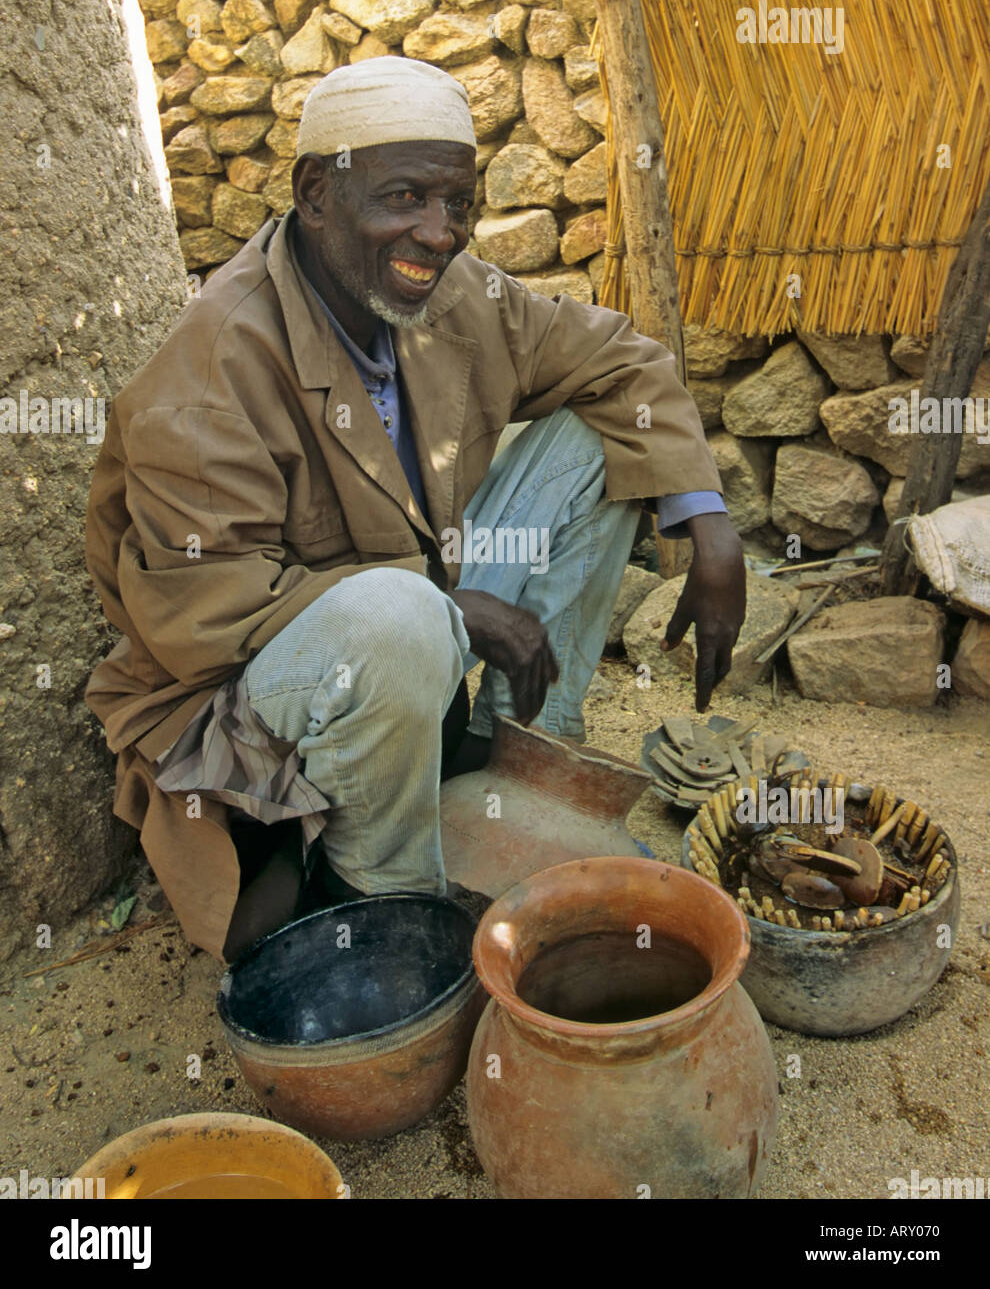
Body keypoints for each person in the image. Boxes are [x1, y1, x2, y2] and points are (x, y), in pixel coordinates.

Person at [84, 58, 745, 960]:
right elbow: (202, 611)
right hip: (243, 687)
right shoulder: (214, 366)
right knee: (401, 618)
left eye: (457, 205)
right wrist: (445, 605)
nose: (437, 235)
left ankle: (522, 755)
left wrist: (710, 527)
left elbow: (621, 362)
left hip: (404, 616)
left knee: (601, 437)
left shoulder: (452, 298)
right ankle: (383, 899)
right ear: (316, 192)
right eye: (402, 198)